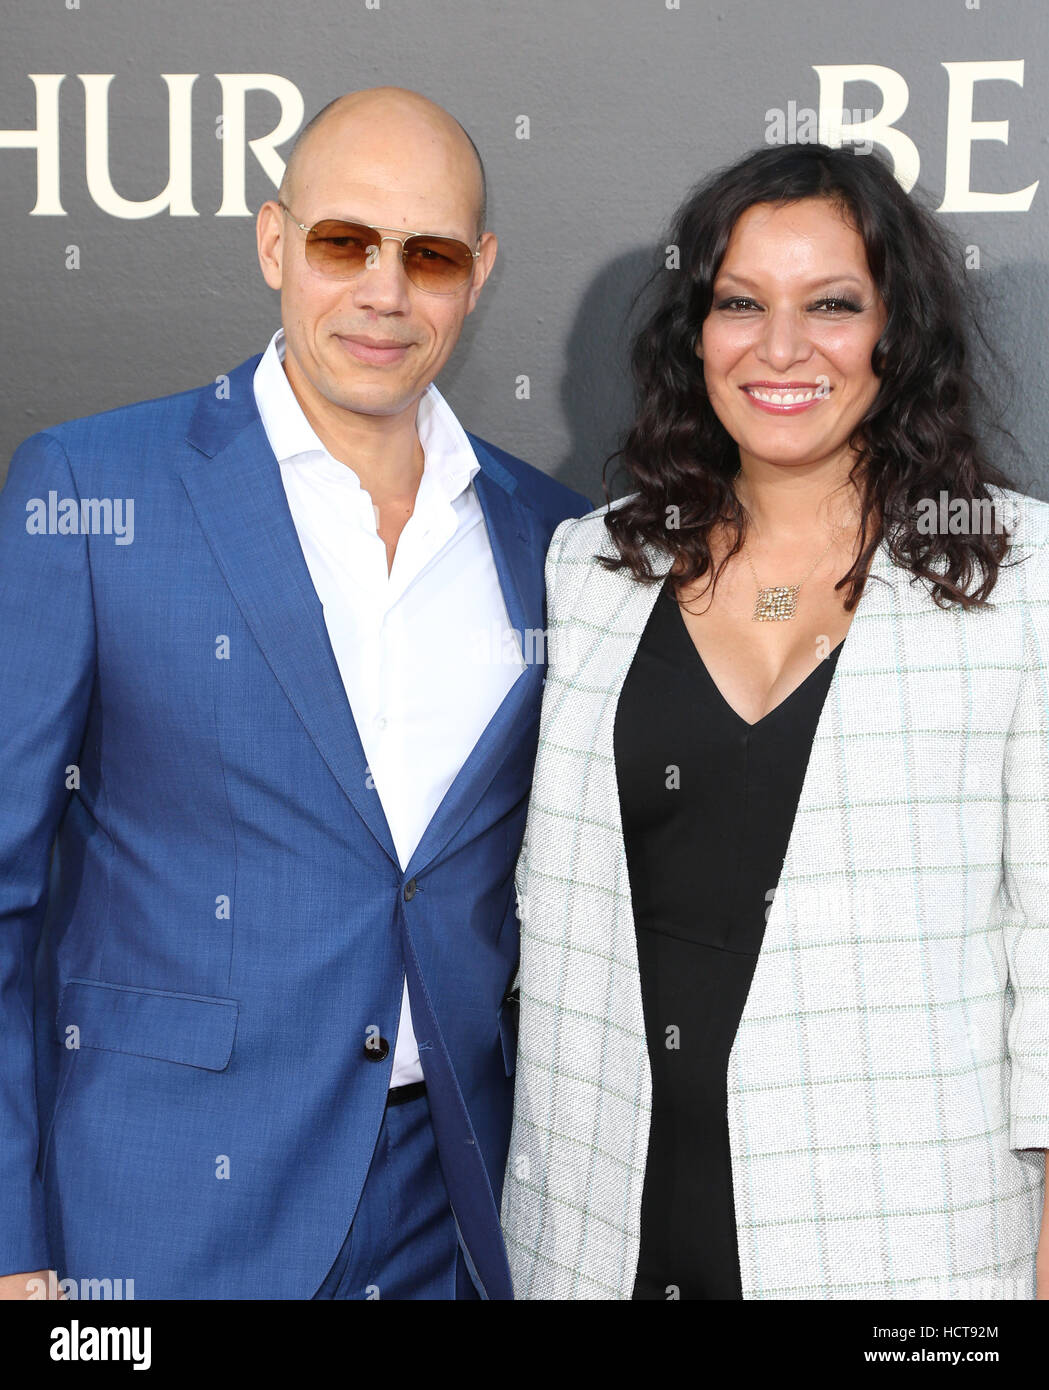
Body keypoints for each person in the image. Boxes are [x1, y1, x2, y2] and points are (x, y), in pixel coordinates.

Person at [0, 86, 590, 1301]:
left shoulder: (552, 537)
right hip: (154, 1221)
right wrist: (12, 1243)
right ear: (275, 242)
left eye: (426, 254)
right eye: (343, 242)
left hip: (451, 1213)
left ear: (476, 275)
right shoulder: (93, 488)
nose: (384, 292)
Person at [501, 142, 1049, 1300]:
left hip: (904, 1242)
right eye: (740, 303)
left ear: (895, 335)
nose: (781, 347)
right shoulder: (591, 567)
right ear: (694, 332)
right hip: (605, 1221)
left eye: (831, 305)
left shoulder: (1024, 579)